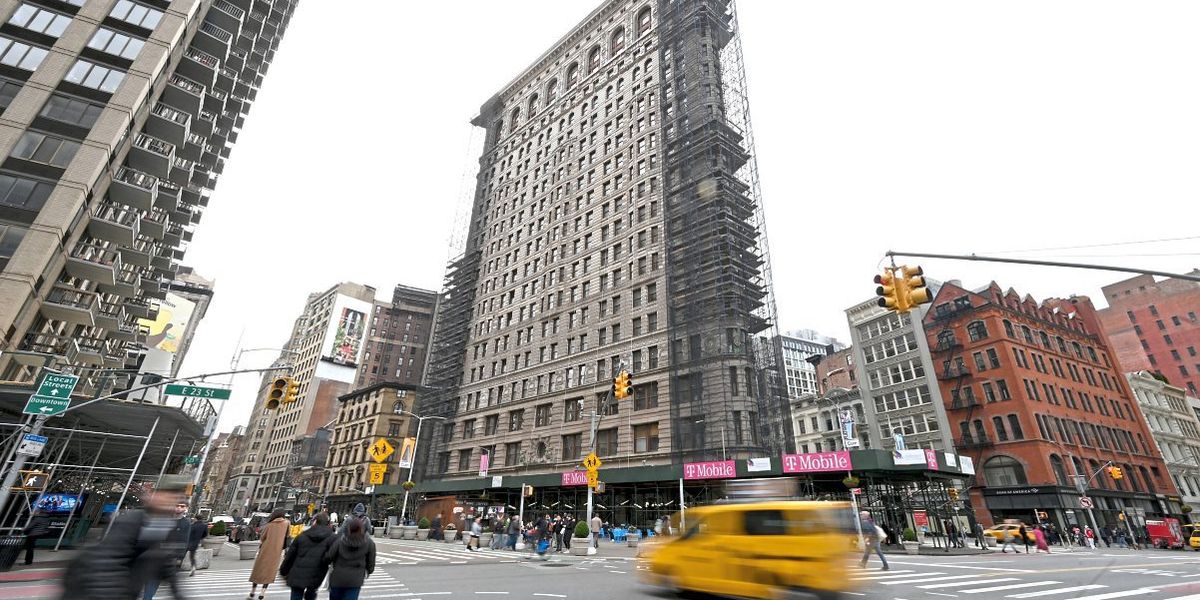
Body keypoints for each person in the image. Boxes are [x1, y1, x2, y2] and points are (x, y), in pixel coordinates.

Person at [59, 476, 191, 600]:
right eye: (165, 494)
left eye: (174, 497)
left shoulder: (166, 525)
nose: (168, 500)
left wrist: (178, 594)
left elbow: (166, 563)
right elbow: (108, 561)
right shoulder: (132, 520)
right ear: (154, 495)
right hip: (92, 591)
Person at [281, 512, 335, 600]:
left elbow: (290, 556)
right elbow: (332, 556)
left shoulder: (302, 536)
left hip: (298, 573)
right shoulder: (332, 538)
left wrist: (284, 570)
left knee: (296, 594)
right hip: (317, 574)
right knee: (311, 593)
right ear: (328, 524)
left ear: (315, 522)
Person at [323, 516, 375, 600]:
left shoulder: (341, 541)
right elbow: (371, 563)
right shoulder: (369, 543)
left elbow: (329, 556)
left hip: (337, 578)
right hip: (355, 580)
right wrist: (368, 570)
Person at [248, 509, 289, 600]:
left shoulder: (269, 525)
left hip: (265, 550)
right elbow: (287, 536)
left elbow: (262, 538)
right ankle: (262, 592)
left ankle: (253, 591)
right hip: (276, 551)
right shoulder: (287, 523)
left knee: (258, 570)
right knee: (270, 572)